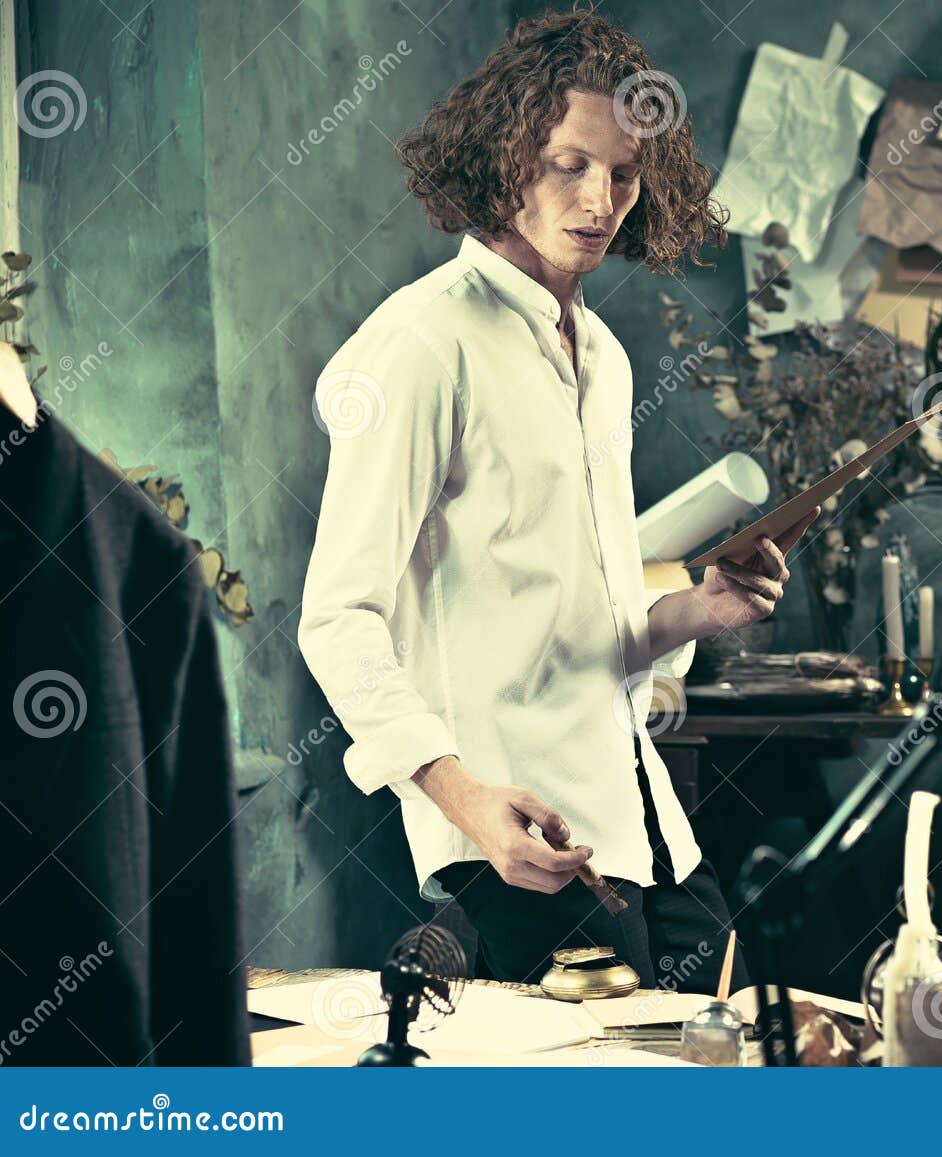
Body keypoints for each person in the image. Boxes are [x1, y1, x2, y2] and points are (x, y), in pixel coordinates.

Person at [297, 9, 813, 992]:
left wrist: (699, 609)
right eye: (568, 164)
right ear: (503, 159)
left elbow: (594, 626)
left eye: (623, 174)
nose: (599, 200)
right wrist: (464, 801)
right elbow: (337, 619)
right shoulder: (420, 346)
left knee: (732, 1036)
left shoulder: (605, 359)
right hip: (520, 826)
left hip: (640, 813)